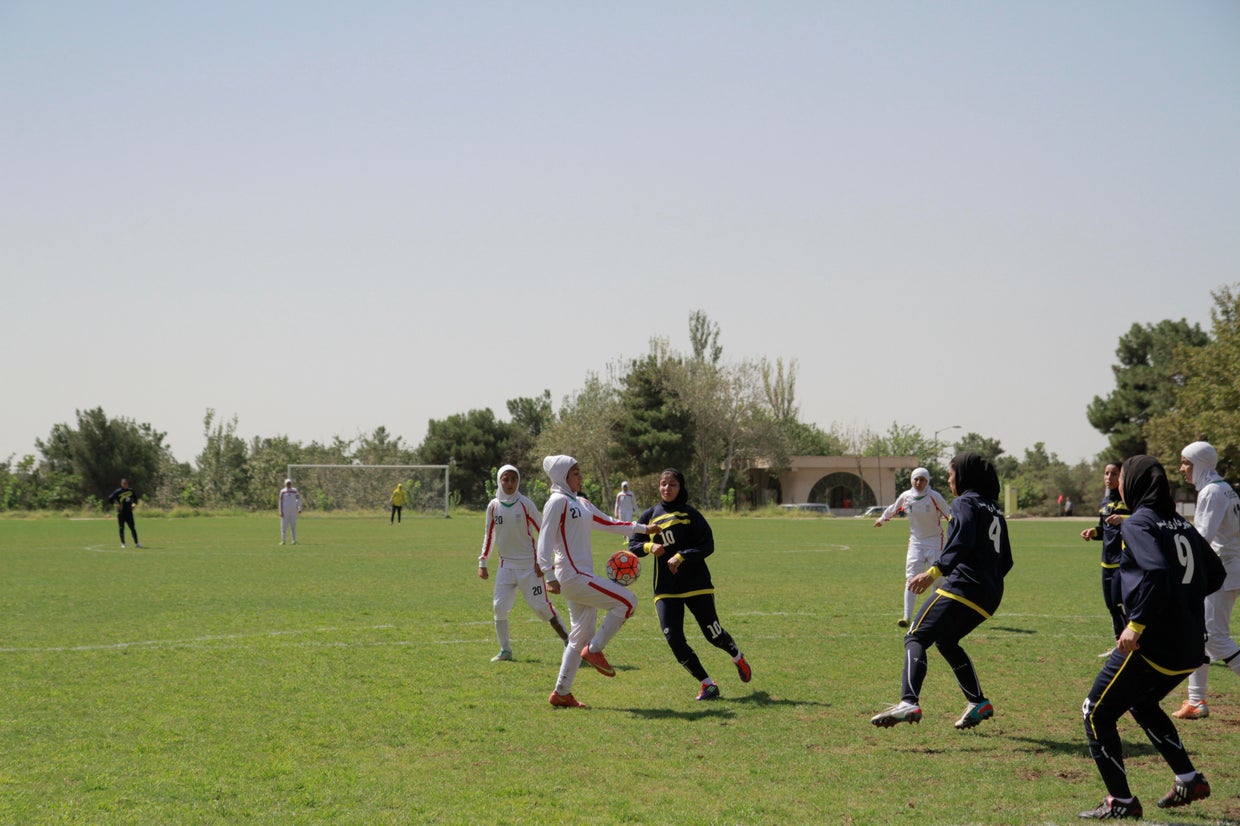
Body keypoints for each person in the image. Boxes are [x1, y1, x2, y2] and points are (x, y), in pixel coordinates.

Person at [1078, 455, 1225, 819]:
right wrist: (1183, 604)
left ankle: (1121, 801)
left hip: (1154, 643)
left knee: (1095, 712)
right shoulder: (1181, 523)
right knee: (1142, 704)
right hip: (1190, 645)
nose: (1119, 484)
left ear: (1135, 482)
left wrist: (1137, 623)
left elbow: (1157, 572)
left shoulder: (1138, 522)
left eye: (1122, 478)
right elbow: (1216, 573)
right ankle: (1188, 778)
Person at [871, 452, 1013, 730]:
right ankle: (977, 701)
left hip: (964, 587)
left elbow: (961, 541)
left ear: (964, 476)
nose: (949, 480)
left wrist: (933, 572)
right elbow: (1006, 560)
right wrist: (988, 581)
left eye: (951, 474)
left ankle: (908, 701)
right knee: (946, 641)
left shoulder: (964, 502)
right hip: (991, 594)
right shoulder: (994, 509)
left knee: (915, 636)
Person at [537, 455, 660, 709]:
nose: (581, 477)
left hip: (581, 575)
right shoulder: (557, 501)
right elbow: (544, 540)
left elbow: (608, 522)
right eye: (575, 473)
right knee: (628, 601)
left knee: (578, 637)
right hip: (572, 576)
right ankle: (594, 650)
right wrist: (548, 575)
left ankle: (561, 693)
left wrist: (642, 529)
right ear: (562, 476)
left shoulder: (580, 502)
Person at [629, 468, 752, 700]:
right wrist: (649, 546)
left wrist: (682, 556)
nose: (667, 488)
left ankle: (737, 656)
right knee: (673, 637)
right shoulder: (650, 515)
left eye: (672, 484)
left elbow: (707, 545)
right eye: (663, 484)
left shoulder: (689, 514)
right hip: (666, 588)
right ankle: (708, 684)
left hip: (697, 584)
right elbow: (633, 545)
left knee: (713, 635)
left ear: (681, 487)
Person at [1170, 440, 1240, 720]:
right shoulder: (1224, 488)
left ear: (1200, 463)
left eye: (1186, 462)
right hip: (1226, 569)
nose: (1182, 468)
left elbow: (1202, 538)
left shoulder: (1211, 491)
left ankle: (1196, 700)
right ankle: (1195, 701)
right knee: (1201, 635)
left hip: (1221, 572)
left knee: (1215, 637)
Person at [478, 464, 569, 661]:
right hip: (505, 567)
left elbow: (544, 532)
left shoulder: (525, 504)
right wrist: (483, 562)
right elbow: (489, 534)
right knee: (499, 607)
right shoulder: (493, 506)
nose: (510, 483)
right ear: (499, 481)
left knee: (542, 608)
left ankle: (569, 642)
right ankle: (505, 650)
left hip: (529, 567)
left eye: (514, 479)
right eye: (506, 479)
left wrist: (543, 562)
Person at [874, 467, 951, 627]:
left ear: (927, 481)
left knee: (938, 579)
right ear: (911, 480)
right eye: (916, 479)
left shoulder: (934, 496)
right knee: (911, 578)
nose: (918, 482)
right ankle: (906, 617)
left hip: (935, 541)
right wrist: (881, 519)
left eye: (922, 479)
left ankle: (934, 616)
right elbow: (893, 508)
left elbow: (949, 513)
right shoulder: (906, 496)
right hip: (916, 542)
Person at [1080, 461, 1130, 647]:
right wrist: (1093, 532)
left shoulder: (1129, 500)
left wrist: (1124, 519)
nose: (1109, 477)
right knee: (1111, 606)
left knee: (1120, 604)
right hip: (1106, 562)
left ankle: (1130, 644)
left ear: (1121, 476)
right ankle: (1119, 645)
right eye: (1106, 473)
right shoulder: (1105, 502)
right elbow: (1104, 529)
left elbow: (1143, 521)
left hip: (1123, 561)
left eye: (1114, 473)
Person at [107, 478, 141, 548]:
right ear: (121, 484)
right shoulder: (118, 491)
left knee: (133, 528)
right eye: (124, 483)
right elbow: (110, 498)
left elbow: (135, 499)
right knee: (121, 528)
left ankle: (137, 543)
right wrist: (116, 505)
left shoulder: (131, 491)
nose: (125, 485)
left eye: (126, 483)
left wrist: (133, 505)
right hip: (121, 513)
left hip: (129, 513)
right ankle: (123, 543)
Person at [279, 479, 302, 545]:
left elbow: (298, 499)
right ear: (285, 484)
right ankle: (283, 541)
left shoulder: (295, 491)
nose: (288, 485)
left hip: (293, 512)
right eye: (287, 483)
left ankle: (294, 540)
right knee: (283, 527)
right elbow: (280, 502)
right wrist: (281, 511)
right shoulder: (282, 491)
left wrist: (299, 508)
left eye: (289, 483)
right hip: (285, 512)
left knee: (293, 527)